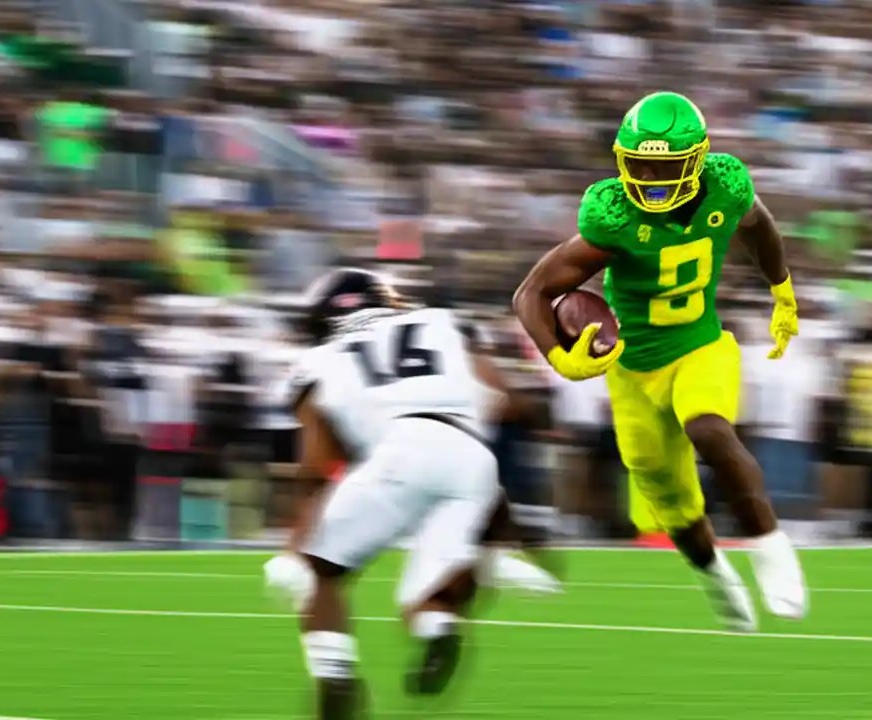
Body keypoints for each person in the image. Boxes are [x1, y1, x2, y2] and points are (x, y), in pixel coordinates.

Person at [512, 91, 807, 632]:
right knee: (671, 502)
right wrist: (559, 358)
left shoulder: (725, 186)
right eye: (638, 163)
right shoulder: (614, 217)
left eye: (662, 165)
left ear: (695, 162)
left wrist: (782, 288)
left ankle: (770, 546)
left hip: (700, 346)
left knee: (711, 432)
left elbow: (760, 227)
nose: (647, 176)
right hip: (632, 372)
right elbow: (530, 292)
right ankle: (716, 572)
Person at [262, 268, 546, 719]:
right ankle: (437, 629)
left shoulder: (318, 361)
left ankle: (333, 671)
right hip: (471, 458)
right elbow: (510, 401)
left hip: (400, 451)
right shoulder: (438, 321)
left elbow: (316, 465)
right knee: (428, 589)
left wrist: (298, 540)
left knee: (322, 574)